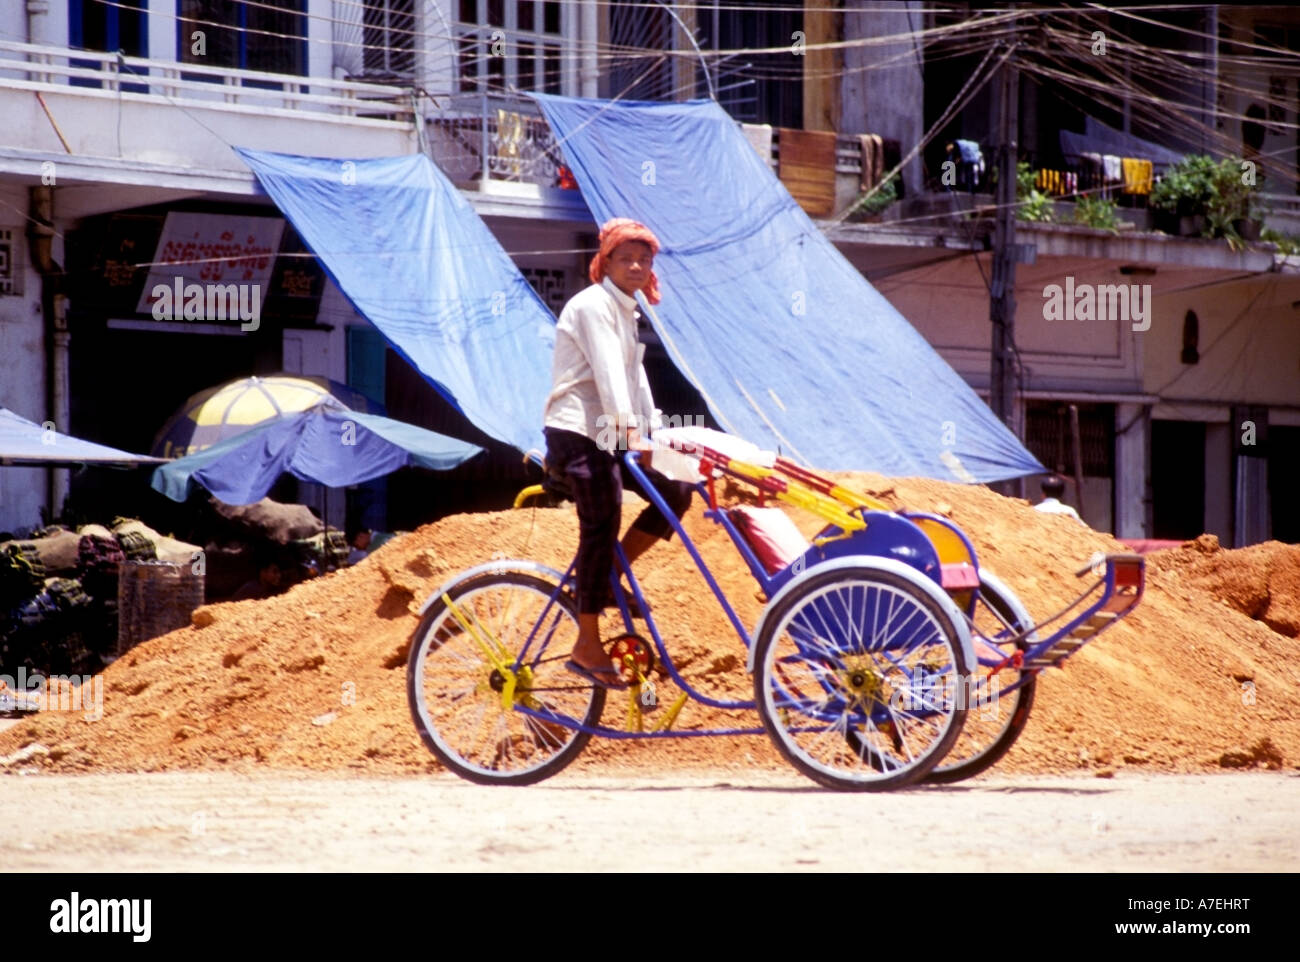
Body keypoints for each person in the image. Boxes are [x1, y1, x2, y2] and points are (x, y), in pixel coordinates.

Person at [543, 217, 694, 690]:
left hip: (609, 431)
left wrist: (659, 436)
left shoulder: (627, 311)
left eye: (643, 259)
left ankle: (609, 570)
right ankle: (586, 642)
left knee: (678, 490)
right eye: (625, 258)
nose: (635, 265)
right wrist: (634, 436)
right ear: (604, 262)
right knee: (603, 513)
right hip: (575, 430)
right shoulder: (592, 305)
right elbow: (609, 377)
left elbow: (636, 381)